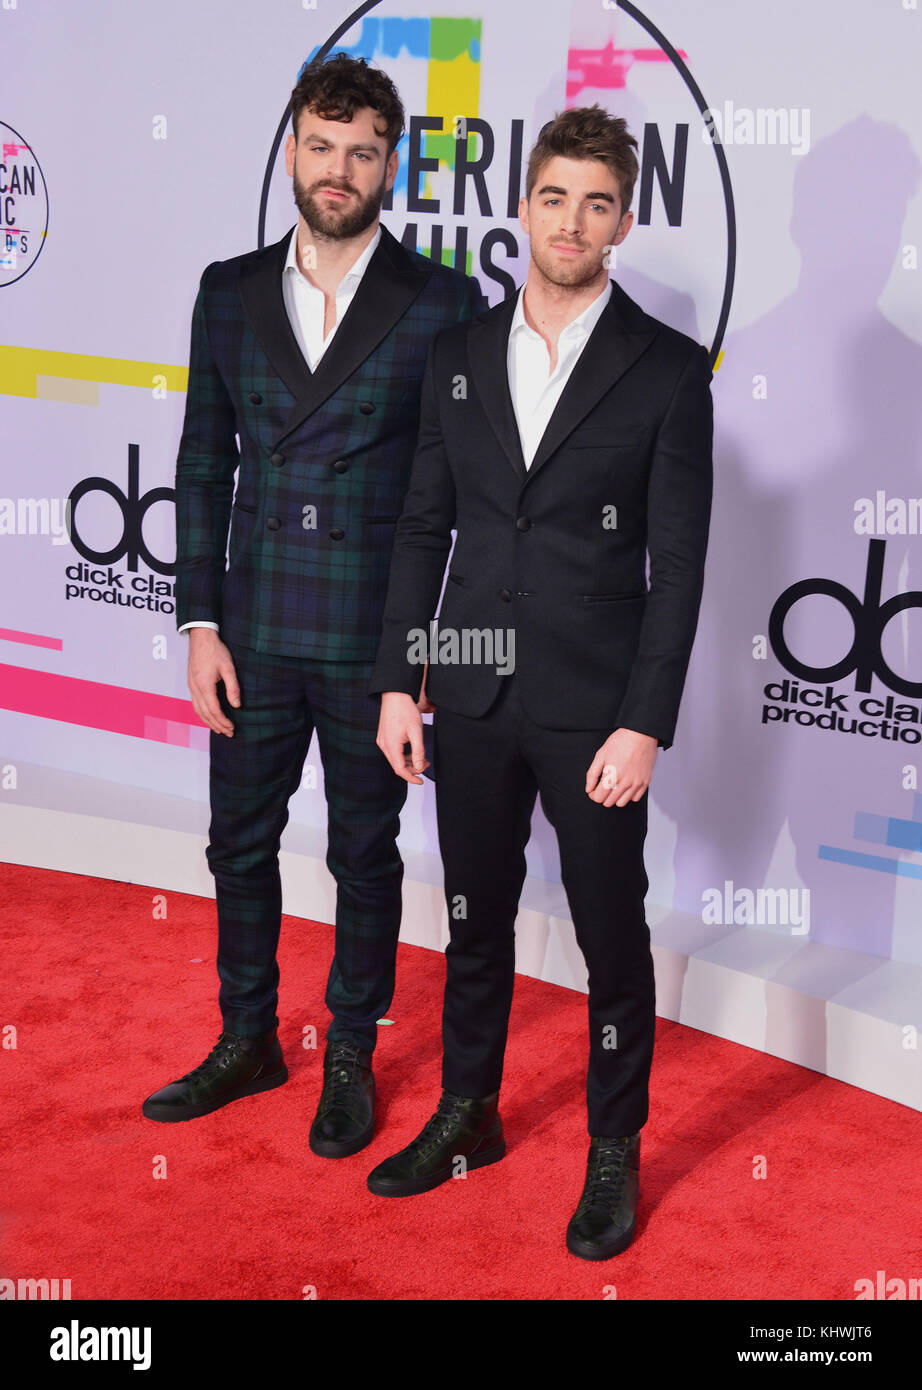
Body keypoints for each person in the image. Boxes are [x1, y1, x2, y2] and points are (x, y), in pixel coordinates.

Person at [367, 105, 713, 1259]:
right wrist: (398, 680)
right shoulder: (458, 353)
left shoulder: (667, 370)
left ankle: (613, 1147)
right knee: (473, 917)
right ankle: (469, 1112)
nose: (571, 221)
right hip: (468, 679)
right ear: (522, 206)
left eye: (595, 204)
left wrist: (644, 723)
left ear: (623, 221)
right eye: (554, 197)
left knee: (611, 938)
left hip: (594, 703)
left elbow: (678, 569)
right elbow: (424, 525)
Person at [141, 54, 484, 1160]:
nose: (339, 170)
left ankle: (348, 1054)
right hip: (249, 628)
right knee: (236, 845)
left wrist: (412, 661)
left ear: (392, 167)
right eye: (322, 146)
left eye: (362, 153)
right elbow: (203, 465)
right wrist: (199, 623)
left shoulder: (442, 302)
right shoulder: (227, 289)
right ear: (293, 149)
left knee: (364, 855)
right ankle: (247, 1039)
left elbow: (450, 499)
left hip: (369, 637)